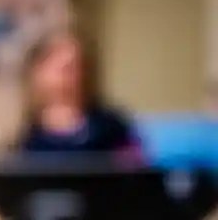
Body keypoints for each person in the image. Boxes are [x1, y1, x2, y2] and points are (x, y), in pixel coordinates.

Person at [17, 30, 142, 160]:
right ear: (38, 72)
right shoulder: (23, 131)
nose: (75, 77)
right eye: (66, 69)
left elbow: (135, 170)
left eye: (80, 67)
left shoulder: (110, 125)